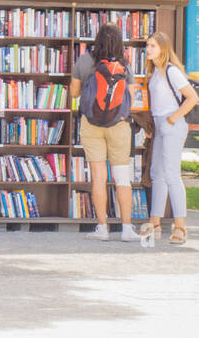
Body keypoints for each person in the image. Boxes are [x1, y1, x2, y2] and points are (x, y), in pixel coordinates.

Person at [69, 24, 138, 241]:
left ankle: (102, 229)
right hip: (119, 125)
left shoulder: (84, 60)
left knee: (99, 176)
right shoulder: (125, 65)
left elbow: (73, 93)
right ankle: (127, 229)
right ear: (120, 42)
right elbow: (131, 96)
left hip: (91, 124)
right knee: (122, 177)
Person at [139, 32, 195, 245]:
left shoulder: (172, 71)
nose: (148, 49)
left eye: (152, 46)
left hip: (173, 123)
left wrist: (171, 119)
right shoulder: (154, 72)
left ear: (163, 48)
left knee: (171, 173)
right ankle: (154, 223)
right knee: (157, 173)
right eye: (147, 45)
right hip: (160, 124)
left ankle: (180, 226)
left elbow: (192, 98)